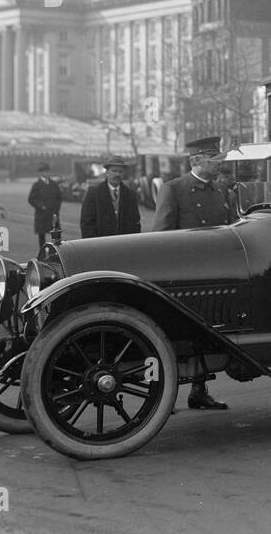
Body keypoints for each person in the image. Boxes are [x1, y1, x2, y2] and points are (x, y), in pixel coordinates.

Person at [152, 137, 231, 410]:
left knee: (204, 336)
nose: (219, 165)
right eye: (214, 160)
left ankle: (198, 391)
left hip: (214, 276)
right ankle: (163, 399)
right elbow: (160, 238)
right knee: (172, 339)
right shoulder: (174, 189)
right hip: (183, 276)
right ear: (195, 161)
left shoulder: (220, 191)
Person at [79, 156, 141, 238]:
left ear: (124, 173)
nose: (117, 174)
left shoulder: (131, 195)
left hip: (124, 245)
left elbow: (135, 223)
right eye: (114, 171)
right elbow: (86, 223)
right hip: (100, 245)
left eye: (120, 171)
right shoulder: (94, 193)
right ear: (107, 172)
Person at [27, 162, 63, 252]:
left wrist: (56, 209)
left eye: (47, 171)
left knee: (56, 235)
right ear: (41, 173)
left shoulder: (54, 184)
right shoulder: (37, 185)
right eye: (44, 171)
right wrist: (41, 206)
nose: (46, 173)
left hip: (53, 214)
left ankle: (57, 253)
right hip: (42, 215)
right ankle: (42, 254)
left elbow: (59, 198)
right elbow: (31, 199)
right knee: (41, 236)